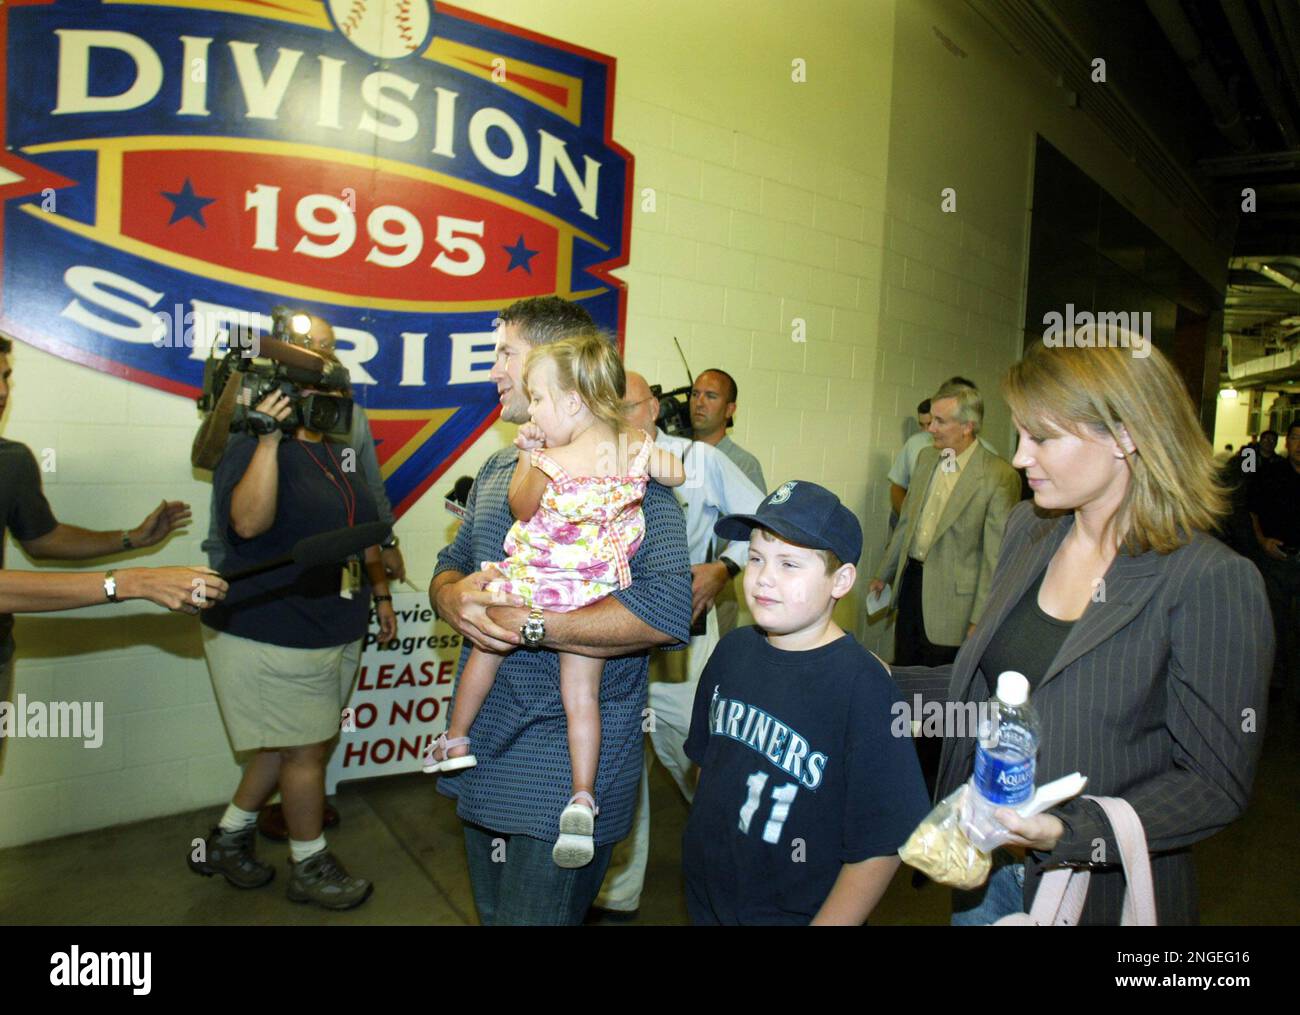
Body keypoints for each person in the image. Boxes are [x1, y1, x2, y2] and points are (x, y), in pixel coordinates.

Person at [891, 340, 1273, 925]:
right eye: (1020, 436)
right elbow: (994, 689)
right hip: (985, 874)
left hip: (1094, 893)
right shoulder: (1031, 530)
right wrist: (876, 679)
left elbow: (1212, 784)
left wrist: (1067, 831)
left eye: (1041, 438)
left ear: (1124, 436)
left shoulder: (1208, 580)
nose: (1020, 459)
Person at [429, 296, 691, 926]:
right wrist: (451, 596)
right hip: (486, 751)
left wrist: (540, 627)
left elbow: (665, 613)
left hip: (564, 770)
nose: (494, 371)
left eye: (505, 355)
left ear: (557, 372)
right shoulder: (501, 468)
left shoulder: (627, 470)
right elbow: (452, 561)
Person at [681, 481, 930, 924]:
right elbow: (709, 765)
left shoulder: (864, 688)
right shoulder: (732, 652)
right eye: (755, 558)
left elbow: (882, 844)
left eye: (789, 564)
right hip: (710, 902)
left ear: (842, 580)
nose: (763, 578)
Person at [190, 379, 397, 910]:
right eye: (311, 391)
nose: (326, 402)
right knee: (304, 749)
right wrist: (265, 439)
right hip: (272, 622)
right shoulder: (250, 446)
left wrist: (381, 596)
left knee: (287, 742)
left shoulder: (341, 454)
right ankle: (309, 863)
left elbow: (365, 529)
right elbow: (248, 523)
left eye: (334, 392)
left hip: (334, 619)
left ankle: (229, 837)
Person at [595, 371, 764, 916]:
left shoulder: (699, 461)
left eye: (628, 406)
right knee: (618, 767)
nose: (619, 417)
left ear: (652, 408)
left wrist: (723, 568)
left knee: (701, 761)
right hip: (611, 644)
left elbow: (764, 520)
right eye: (609, 407)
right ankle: (616, 891)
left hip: (681, 647)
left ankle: (741, 867)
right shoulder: (592, 463)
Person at [0, 332, 193, 759]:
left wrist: (130, 539)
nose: (1, 391)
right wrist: (128, 582)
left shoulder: (12, 460)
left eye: (7, 377)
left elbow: (42, 538)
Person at [870, 381, 1021, 667]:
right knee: (904, 668)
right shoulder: (926, 458)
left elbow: (995, 558)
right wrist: (884, 573)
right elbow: (907, 523)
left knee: (939, 687)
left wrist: (980, 618)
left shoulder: (997, 476)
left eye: (940, 421)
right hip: (912, 584)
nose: (930, 428)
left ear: (967, 426)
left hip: (955, 604)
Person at [1248, 421, 1300, 714]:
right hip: (1276, 560)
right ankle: (1275, 683)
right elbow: (1252, 508)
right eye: (1294, 438)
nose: (1299, 444)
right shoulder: (1267, 471)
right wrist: (1261, 540)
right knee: (1275, 623)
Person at [689, 368, 765, 492]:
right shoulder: (675, 454)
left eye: (711, 396)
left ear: (730, 409)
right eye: (695, 394)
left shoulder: (744, 465)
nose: (699, 403)